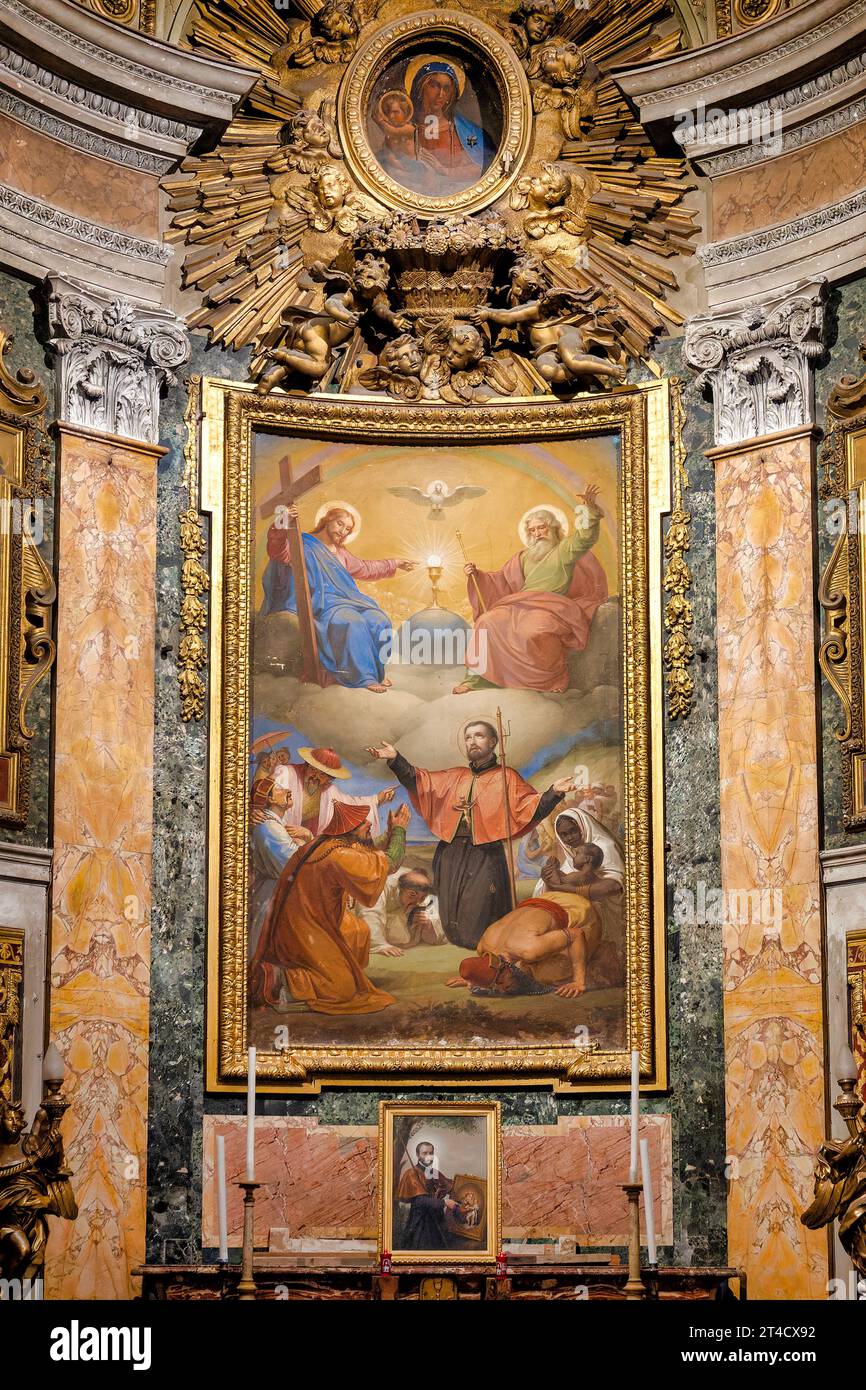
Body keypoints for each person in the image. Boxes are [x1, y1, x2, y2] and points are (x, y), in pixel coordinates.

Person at [368, 720, 574, 948]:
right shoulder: (455, 776)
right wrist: (395, 759)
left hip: (484, 854)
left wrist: (553, 793)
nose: (472, 741)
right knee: (449, 907)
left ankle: (487, 948)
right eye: (468, 737)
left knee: (480, 906)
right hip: (451, 851)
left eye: (479, 735)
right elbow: (419, 781)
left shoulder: (507, 777)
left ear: (493, 742)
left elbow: (531, 806)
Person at [249, 800, 410, 1015]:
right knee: (341, 990)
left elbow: (368, 850)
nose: (368, 825)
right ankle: (277, 978)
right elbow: (390, 862)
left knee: (358, 931)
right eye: (363, 823)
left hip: (306, 917)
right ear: (350, 830)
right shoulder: (339, 855)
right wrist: (399, 831)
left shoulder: (327, 844)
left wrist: (390, 832)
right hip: (306, 927)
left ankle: (337, 968)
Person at [453, 492, 608, 694]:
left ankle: (548, 681)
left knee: (533, 631)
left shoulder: (565, 549)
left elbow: (585, 538)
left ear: (553, 527)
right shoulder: (523, 557)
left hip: (552, 608)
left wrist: (590, 509)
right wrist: (476, 575)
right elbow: (500, 580)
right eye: (533, 530)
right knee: (486, 621)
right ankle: (477, 678)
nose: (537, 533)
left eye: (541, 527)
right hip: (519, 605)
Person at [261, 502, 417, 692]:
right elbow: (277, 551)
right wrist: (282, 521)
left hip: (347, 602)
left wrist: (396, 563)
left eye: (348, 529)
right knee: (352, 622)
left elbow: (365, 568)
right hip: (321, 606)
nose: (343, 531)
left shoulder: (341, 553)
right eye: (340, 524)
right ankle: (364, 678)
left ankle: (377, 673)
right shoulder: (301, 542)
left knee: (379, 620)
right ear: (327, 520)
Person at [266, 745, 394, 840]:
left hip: (308, 842)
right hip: (277, 835)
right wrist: (255, 810)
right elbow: (264, 792)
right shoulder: (286, 773)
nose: (318, 777)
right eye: (315, 771)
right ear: (309, 766)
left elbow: (352, 804)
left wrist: (377, 798)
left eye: (327, 776)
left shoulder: (329, 789)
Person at [357, 868, 446, 956]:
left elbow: (439, 933)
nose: (417, 902)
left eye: (422, 897)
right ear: (400, 888)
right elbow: (371, 914)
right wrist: (380, 945)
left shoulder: (425, 897)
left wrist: (428, 926)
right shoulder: (380, 885)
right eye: (412, 895)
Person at [395, 1141, 461, 1250]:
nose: (428, 1156)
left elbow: (451, 1187)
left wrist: (465, 1183)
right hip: (421, 1220)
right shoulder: (411, 1173)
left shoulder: (434, 1172)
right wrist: (444, 1202)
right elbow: (419, 1201)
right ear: (417, 1155)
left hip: (438, 1218)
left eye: (431, 1153)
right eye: (424, 1153)